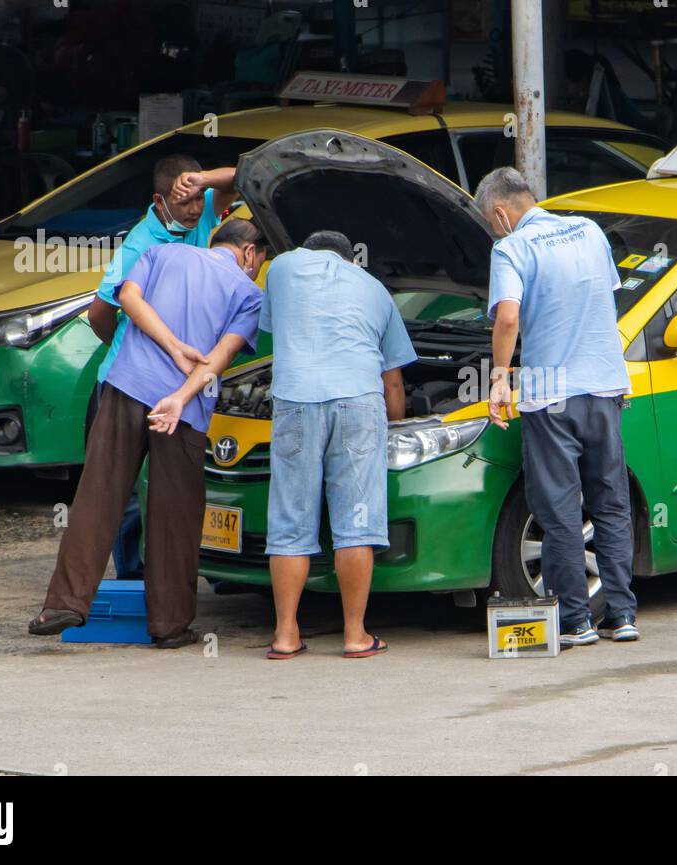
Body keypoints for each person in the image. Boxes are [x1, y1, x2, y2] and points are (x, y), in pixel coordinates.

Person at [28, 219, 266, 647]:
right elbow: (218, 359)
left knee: (99, 494)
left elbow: (128, 299)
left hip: (126, 385)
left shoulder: (162, 253)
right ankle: (170, 626)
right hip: (185, 407)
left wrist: (169, 344)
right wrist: (180, 390)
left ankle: (64, 603)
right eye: (260, 259)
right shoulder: (249, 293)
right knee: (176, 512)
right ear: (250, 253)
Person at [476, 167, 639, 647]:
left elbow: (508, 317)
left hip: (550, 393)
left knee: (560, 509)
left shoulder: (511, 248)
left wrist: (501, 378)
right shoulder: (589, 231)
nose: (494, 230)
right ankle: (623, 614)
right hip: (605, 387)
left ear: (502, 213)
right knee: (610, 503)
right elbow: (605, 304)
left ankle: (576, 621)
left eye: (491, 222)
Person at [262, 230, 415, 660]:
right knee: (356, 520)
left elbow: (274, 331)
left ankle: (285, 635)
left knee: (291, 520)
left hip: (295, 401)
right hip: (359, 403)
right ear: (352, 260)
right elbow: (394, 381)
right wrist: (395, 427)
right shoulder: (376, 289)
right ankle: (355, 635)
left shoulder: (284, 268)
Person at [86, 154, 240, 581]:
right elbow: (99, 314)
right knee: (125, 491)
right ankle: (131, 579)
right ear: (159, 199)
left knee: (178, 484)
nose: (194, 211)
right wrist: (133, 352)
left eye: (198, 200)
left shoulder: (205, 209)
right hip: (126, 382)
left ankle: (178, 579)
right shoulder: (140, 243)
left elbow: (247, 174)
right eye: (184, 201)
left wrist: (203, 179)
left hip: (181, 378)